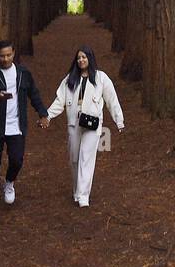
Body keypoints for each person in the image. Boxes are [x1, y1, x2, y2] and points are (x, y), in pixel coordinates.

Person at [44, 45, 124, 208]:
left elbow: (112, 100)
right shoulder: (70, 79)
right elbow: (60, 101)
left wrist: (119, 120)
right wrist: (48, 116)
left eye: (84, 57)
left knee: (86, 158)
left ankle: (83, 195)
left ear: (90, 59)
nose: (81, 60)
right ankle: (77, 190)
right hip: (74, 124)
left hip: (93, 124)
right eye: (79, 58)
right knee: (74, 158)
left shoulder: (101, 78)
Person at [0, 39, 48, 219]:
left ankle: (9, 182)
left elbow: (33, 94)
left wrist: (42, 113)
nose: (5, 59)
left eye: (8, 55)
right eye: (2, 56)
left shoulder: (23, 73)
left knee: (16, 160)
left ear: (14, 53)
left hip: (17, 126)